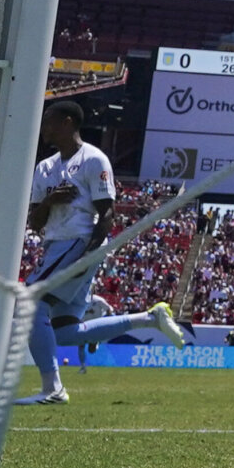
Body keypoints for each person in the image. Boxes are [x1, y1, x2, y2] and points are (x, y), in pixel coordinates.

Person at [20, 100, 184, 404]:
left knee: (31, 304)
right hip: (54, 246)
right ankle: (149, 319)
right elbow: (34, 222)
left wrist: (88, 256)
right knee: (64, 333)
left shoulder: (94, 159)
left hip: (78, 243)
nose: (44, 128)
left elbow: (107, 214)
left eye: (49, 121)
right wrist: (49, 201)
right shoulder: (45, 168)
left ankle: (52, 389)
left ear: (68, 122)